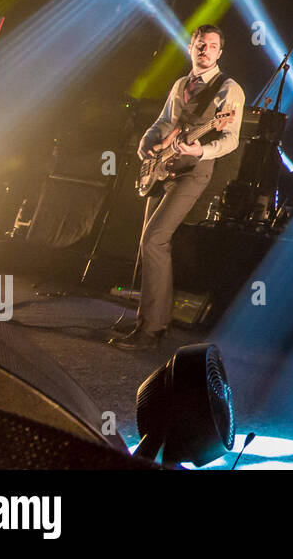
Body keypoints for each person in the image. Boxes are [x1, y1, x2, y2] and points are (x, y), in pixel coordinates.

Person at [109, 25, 243, 350]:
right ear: (190, 47)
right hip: (163, 166)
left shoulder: (228, 88)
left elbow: (231, 139)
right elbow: (164, 121)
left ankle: (151, 330)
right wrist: (147, 143)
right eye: (200, 44)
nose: (205, 50)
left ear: (220, 52)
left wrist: (201, 150)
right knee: (149, 243)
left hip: (192, 172)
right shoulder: (182, 84)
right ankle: (149, 323)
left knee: (154, 240)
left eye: (212, 45)